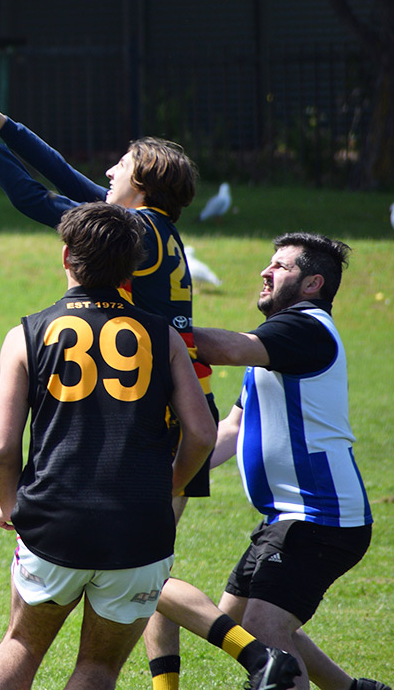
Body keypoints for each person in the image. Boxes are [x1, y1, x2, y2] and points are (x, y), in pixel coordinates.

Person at [0, 49, 239, 689]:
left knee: (92, 594)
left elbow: (35, 196)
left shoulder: (132, 229)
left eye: (121, 164)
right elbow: (59, 169)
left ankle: (234, 659)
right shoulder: (152, 226)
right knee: (139, 572)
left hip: (154, 410)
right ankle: (171, 678)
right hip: (175, 397)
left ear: (141, 185)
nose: (107, 170)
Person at [0, 202, 215, 690]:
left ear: (67, 256)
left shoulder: (26, 334)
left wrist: (8, 502)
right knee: (99, 667)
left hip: (54, 522)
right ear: (131, 269)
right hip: (138, 528)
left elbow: (1, 446)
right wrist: (170, 486)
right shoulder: (163, 335)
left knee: (22, 645)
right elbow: (203, 433)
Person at [160, 233, 388, 690]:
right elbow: (231, 430)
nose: (266, 271)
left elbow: (224, 349)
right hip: (290, 517)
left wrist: (149, 330)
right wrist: (168, 477)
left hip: (319, 517)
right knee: (236, 622)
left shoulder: (305, 329)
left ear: (312, 284)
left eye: (281, 266)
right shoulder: (280, 343)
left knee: (265, 630)